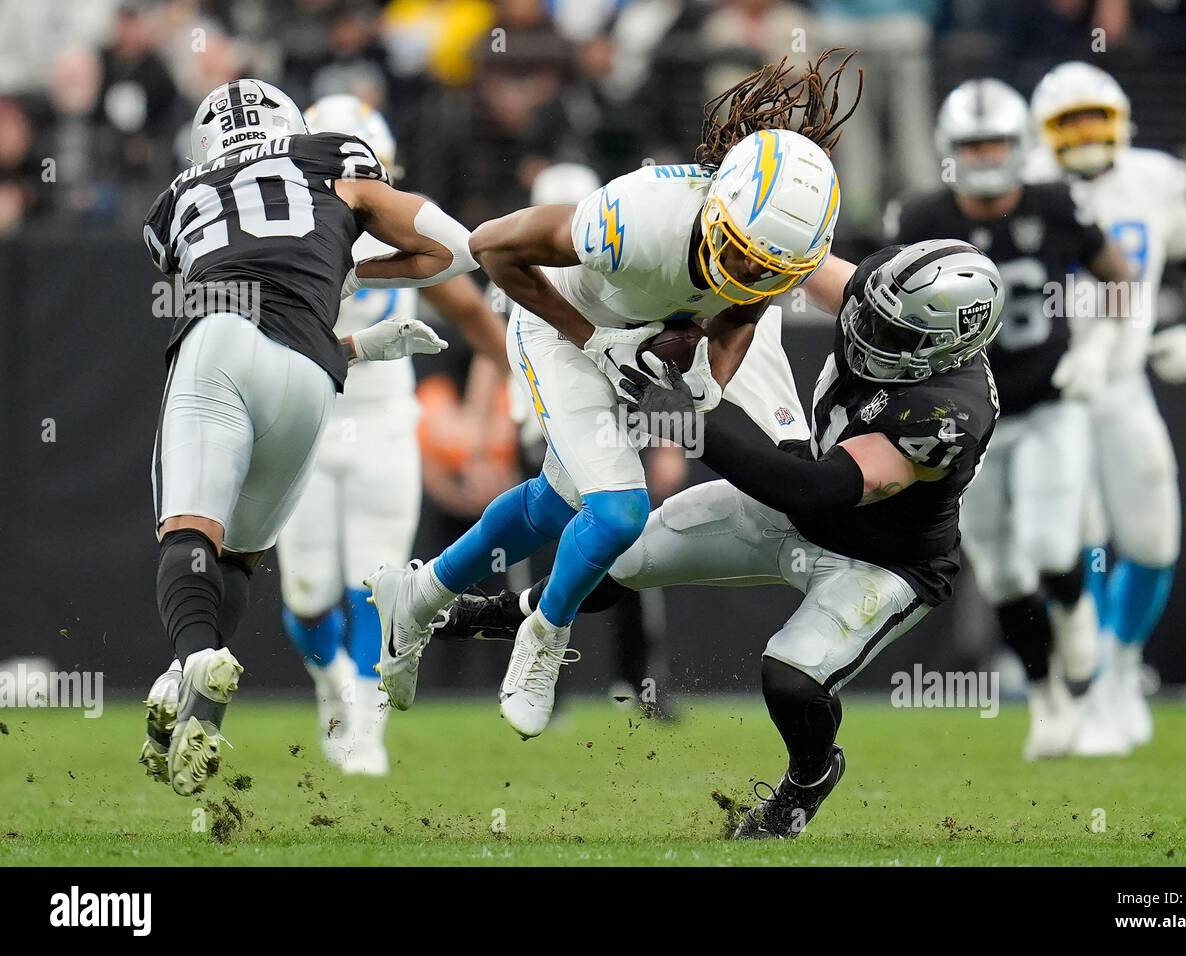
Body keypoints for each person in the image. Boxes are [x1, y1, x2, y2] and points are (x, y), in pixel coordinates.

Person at [439, 240, 1003, 838]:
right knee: (620, 555)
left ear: (942, 350)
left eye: (890, 331)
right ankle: (508, 613)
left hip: (878, 561)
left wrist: (684, 423)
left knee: (792, 677)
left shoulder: (948, 415)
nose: (863, 329)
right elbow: (797, 260)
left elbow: (811, 489)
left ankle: (809, 778)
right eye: (868, 312)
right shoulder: (880, 298)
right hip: (795, 510)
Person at [366, 53, 857, 739]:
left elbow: (747, 307)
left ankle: (416, 597)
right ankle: (541, 638)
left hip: (655, 326)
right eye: (745, 252)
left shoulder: (771, 254)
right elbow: (495, 249)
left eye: (771, 266)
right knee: (621, 513)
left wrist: (707, 377)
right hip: (566, 325)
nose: (750, 270)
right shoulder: (632, 221)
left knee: (559, 501)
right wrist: (594, 339)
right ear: (720, 210)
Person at [138, 79, 475, 796]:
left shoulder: (173, 198)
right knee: (269, 569)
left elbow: (214, 264)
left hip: (227, 346)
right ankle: (202, 671)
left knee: (193, 533)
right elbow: (457, 249)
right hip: (310, 375)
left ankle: (189, 662)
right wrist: (351, 275)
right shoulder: (335, 162)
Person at [892, 78, 1134, 760]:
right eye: (973, 144)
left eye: (996, 140)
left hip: (1049, 402)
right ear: (949, 150)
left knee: (1055, 546)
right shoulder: (921, 219)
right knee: (997, 570)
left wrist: (1103, 347)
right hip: (969, 422)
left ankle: (1080, 618)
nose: (987, 153)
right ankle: (1047, 697)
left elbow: (1118, 276)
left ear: (1021, 143)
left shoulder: (1057, 204)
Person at [274, 95, 509, 776]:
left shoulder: (401, 226)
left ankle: (365, 719)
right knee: (308, 595)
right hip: (308, 423)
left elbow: (470, 303)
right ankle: (334, 687)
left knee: (377, 586)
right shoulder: (281, 232)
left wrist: (508, 388)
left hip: (382, 424)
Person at [1027, 61, 1186, 756]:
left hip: (1123, 384)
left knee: (1153, 541)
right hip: (1048, 396)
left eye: (1096, 120)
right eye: (1068, 123)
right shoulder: (1025, 188)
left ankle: (1116, 669)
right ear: (1042, 134)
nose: (1085, 136)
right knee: (1068, 543)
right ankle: (1070, 688)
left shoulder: (1153, 181)